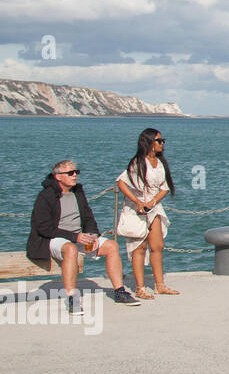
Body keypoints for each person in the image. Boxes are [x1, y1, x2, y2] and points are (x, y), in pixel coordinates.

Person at [26, 160, 139, 312]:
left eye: (76, 172)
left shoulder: (77, 192)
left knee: (112, 246)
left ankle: (119, 292)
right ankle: (72, 299)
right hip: (54, 239)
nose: (75, 175)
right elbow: (43, 228)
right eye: (70, 173)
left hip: (78, 237)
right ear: (58, 177)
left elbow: (88, 217)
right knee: (70, 249)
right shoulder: (45, 196)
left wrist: (92, 235)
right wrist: (75, 237)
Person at [116, 128, 179, 298]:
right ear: (150, 142)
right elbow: (121, 182)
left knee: (157, 246)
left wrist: (153, 202)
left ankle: (159, 285)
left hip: (153, 207)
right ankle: (140, 287)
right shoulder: (138, 162)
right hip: (136, 208)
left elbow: (165, 188)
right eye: (159, 140)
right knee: (139, 247)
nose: (162, 144)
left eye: (162, 141)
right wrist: (138, 201)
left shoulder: (160, 163)